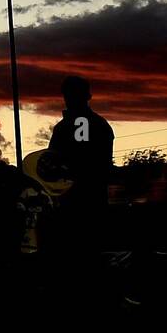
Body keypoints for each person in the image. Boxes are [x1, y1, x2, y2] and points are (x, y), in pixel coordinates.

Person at [46, 75, 115, 262]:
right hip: (92, 202)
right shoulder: (97, 124)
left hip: (77, 204)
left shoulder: (74, 125)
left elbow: (72, 160)